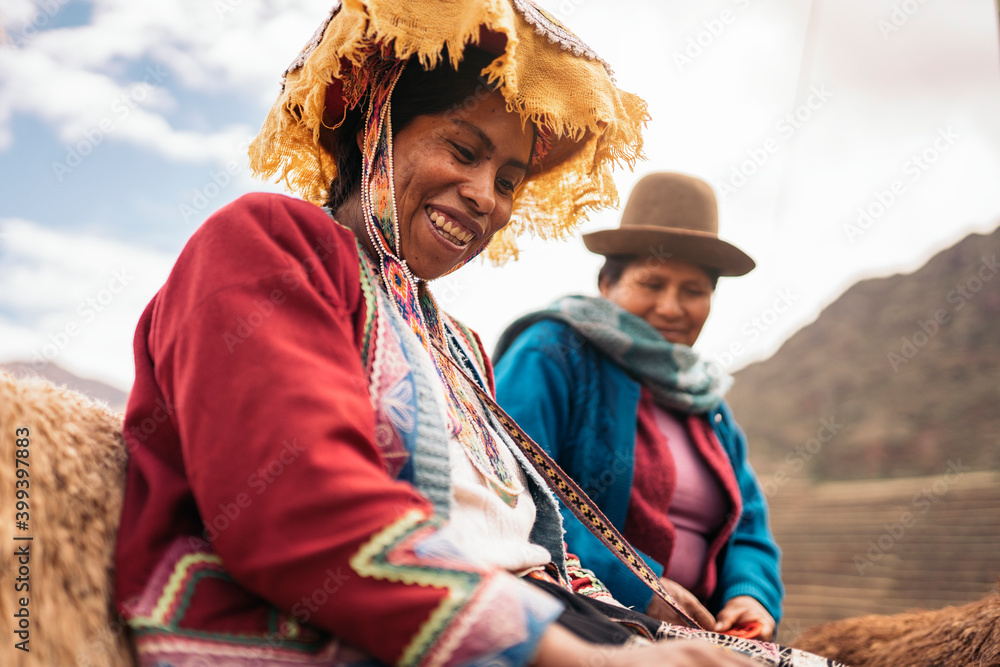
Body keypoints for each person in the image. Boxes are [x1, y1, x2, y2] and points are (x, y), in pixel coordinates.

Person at [113, 3, 835, 665]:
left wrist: (649, 621)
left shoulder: (456, 344)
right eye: (463, 151)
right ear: (377, 127)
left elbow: (520, 543)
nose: (486, 196)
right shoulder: (271, 244)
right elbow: (298, 510)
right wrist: (591, 658)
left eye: (510, 180)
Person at [494, 171, 784, 641]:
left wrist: (750, 596)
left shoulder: (706, 405)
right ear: (607, 282)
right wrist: (638, 585)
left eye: (693, 291)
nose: (671, 307)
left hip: (701, 629)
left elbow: (749, 526)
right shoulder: (552, 351)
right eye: (652, 283)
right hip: (581, 615)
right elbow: (511, 487)